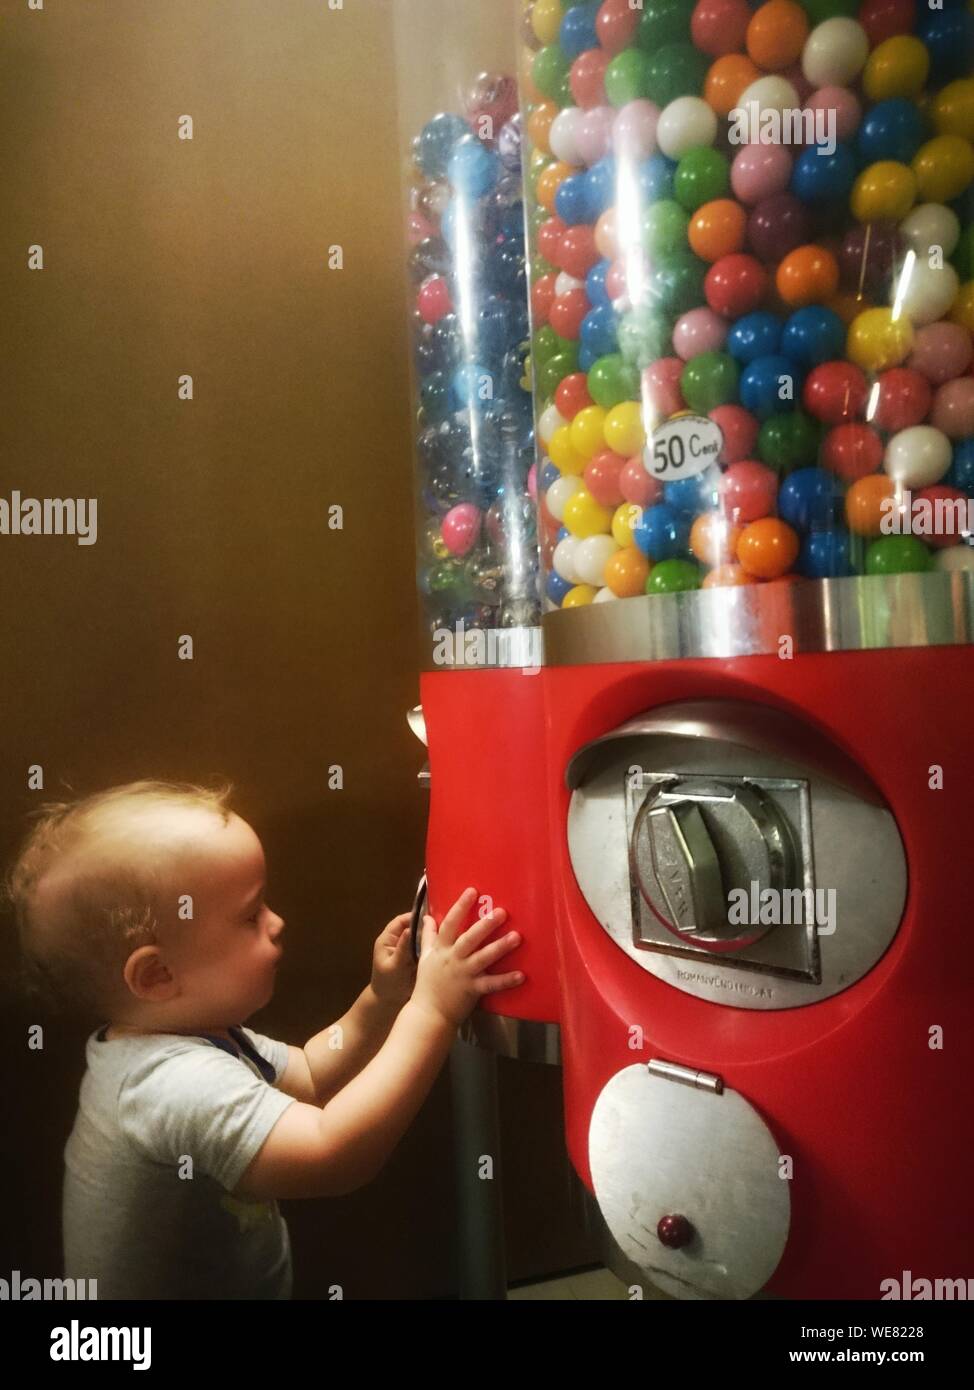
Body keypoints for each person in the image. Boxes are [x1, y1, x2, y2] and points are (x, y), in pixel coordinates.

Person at [3, 780, 523, 1299]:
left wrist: (380, 999)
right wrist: (432, 1011)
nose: (278, 923)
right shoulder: (169, 1086)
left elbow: (312, 1073)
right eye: (250, 916)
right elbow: (333, 1154)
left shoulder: (191, 1034)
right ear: (157, 976)